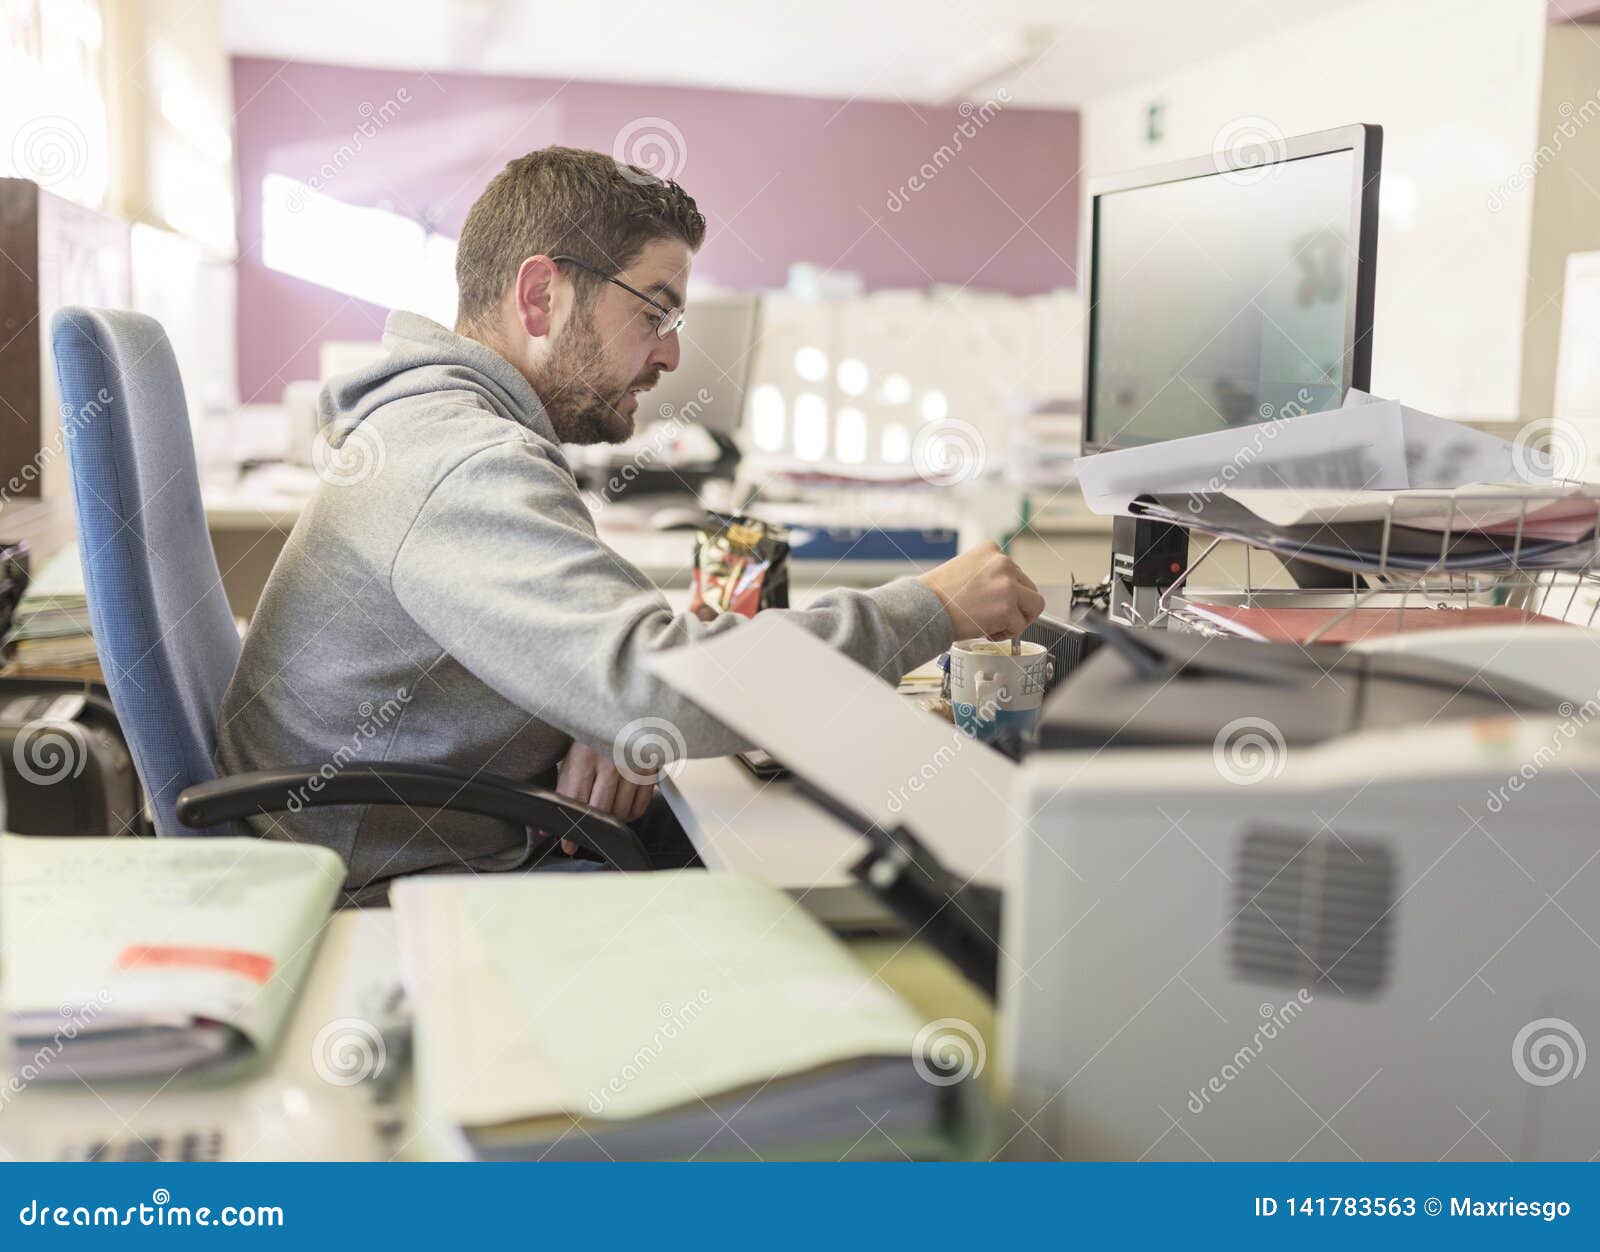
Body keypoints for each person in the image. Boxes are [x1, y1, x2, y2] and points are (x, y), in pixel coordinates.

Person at [214, 146, 1043, 901]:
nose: (672, 355)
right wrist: (935, 608)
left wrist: (589, 708)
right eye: (655, 311)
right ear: (541, 296)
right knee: (848, 901)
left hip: (427, 844)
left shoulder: (443, 429)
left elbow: (616, 667)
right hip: (380, 889)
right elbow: (651, 681)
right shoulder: (463, 459)